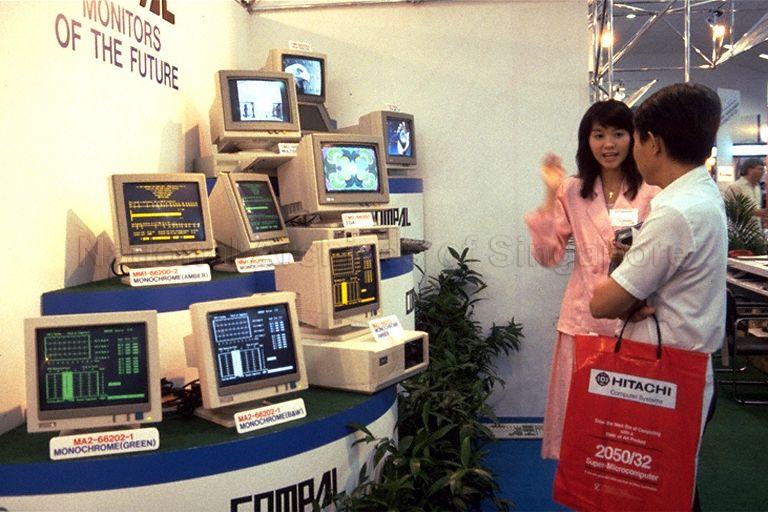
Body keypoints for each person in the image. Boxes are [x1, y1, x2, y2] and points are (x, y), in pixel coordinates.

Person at [589, 83, 725, 511]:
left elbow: (603, 304)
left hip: (667, 371)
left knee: (657, 488)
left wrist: (624, 286)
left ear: (653, 142)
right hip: (686, 360)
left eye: (630, 137)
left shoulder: (674, 212)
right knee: (673, 482)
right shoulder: (699, 194)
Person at [525, 100, 659, 460]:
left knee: (628, 424)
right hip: (582, 319)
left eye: (618, 133)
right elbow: (547, 255)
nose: (608, 144)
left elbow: (664, 258)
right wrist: (548, 190)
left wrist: (632, 258)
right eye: (598, 135)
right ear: (587, 140)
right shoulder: (572, 189)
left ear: (634, 138)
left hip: (634, 318)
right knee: (583, 421)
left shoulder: (651, 191)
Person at [725, 157, 766, 224]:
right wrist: (755, 212)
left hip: (757, 230)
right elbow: (730, 210)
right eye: (760, 169)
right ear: (750, 170)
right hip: (741, 232)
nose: (763, 172)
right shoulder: (735, 187)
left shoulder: (757, 187)